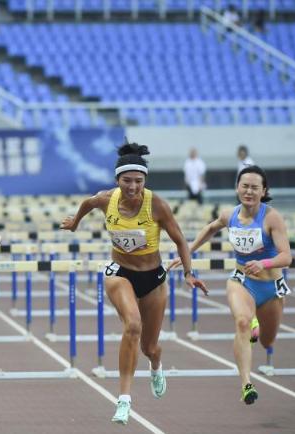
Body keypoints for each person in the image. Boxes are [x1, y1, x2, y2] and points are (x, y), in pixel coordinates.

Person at [61, 141, 207, 425]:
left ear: (145, 181)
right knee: (132, 326)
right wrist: (75, 223)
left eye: (138, 181)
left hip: (153, 278)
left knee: (149, 347)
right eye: (127, 180)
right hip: (120, 273)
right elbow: (87, 203)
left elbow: (180, 241)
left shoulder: (157, 205)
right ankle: (124, 399)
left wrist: (188, 272)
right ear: (117, 180)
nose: (132, 186)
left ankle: (156, 365)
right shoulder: (106, 199)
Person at [170, 165, 290, 405]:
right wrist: (187, 252)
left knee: (267, 342)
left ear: (263, 190)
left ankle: (256, 323)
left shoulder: (272, 218)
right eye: (245, 186)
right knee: (242, 322)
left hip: (270, 287)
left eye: (254, 187)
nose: (249, 191)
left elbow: (286, 256)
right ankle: (246, 384)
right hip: (242, 281)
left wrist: (264, 263)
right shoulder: (229, 215)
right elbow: (210, 228)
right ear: (237, 188)